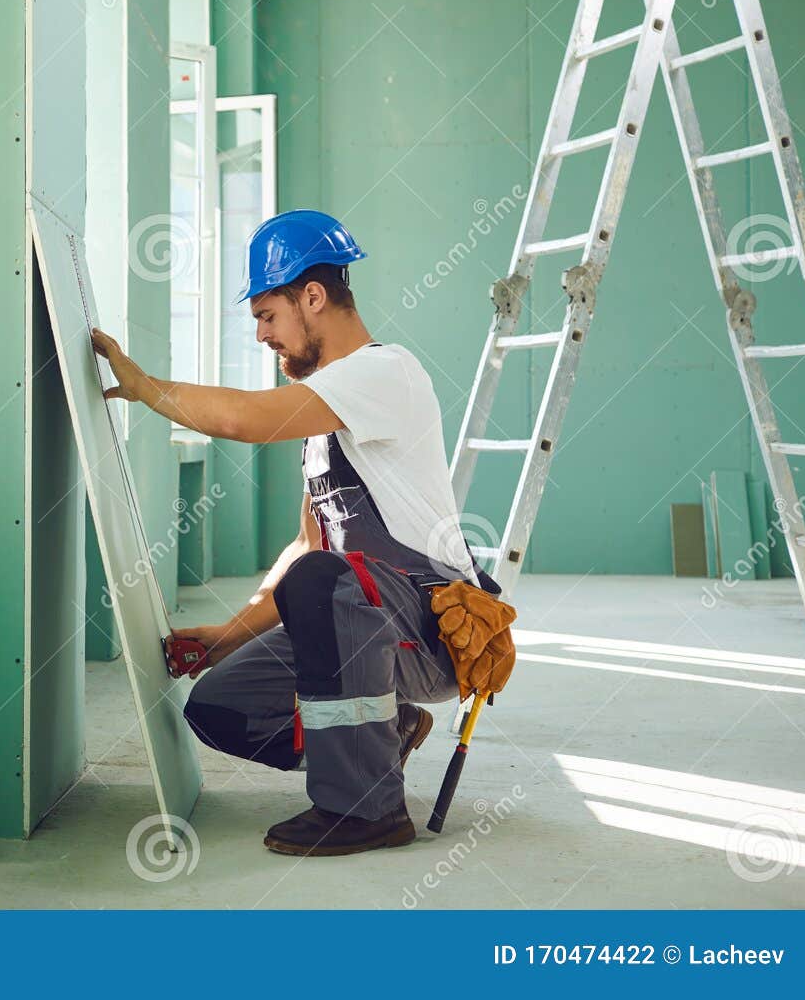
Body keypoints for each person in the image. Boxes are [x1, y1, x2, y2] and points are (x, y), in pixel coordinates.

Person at [89, 208, 499, 856]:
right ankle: (387, 729)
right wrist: (224, 639)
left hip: (430, 630)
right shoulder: (322, 423)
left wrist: (149, 389)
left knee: (325, 583)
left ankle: (367, 808)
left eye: (266, 315)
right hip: (367, 620)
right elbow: (308, 546)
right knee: (220, 705)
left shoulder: (384, 372)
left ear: (312, 296)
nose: (260, 335)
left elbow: (248, 419)